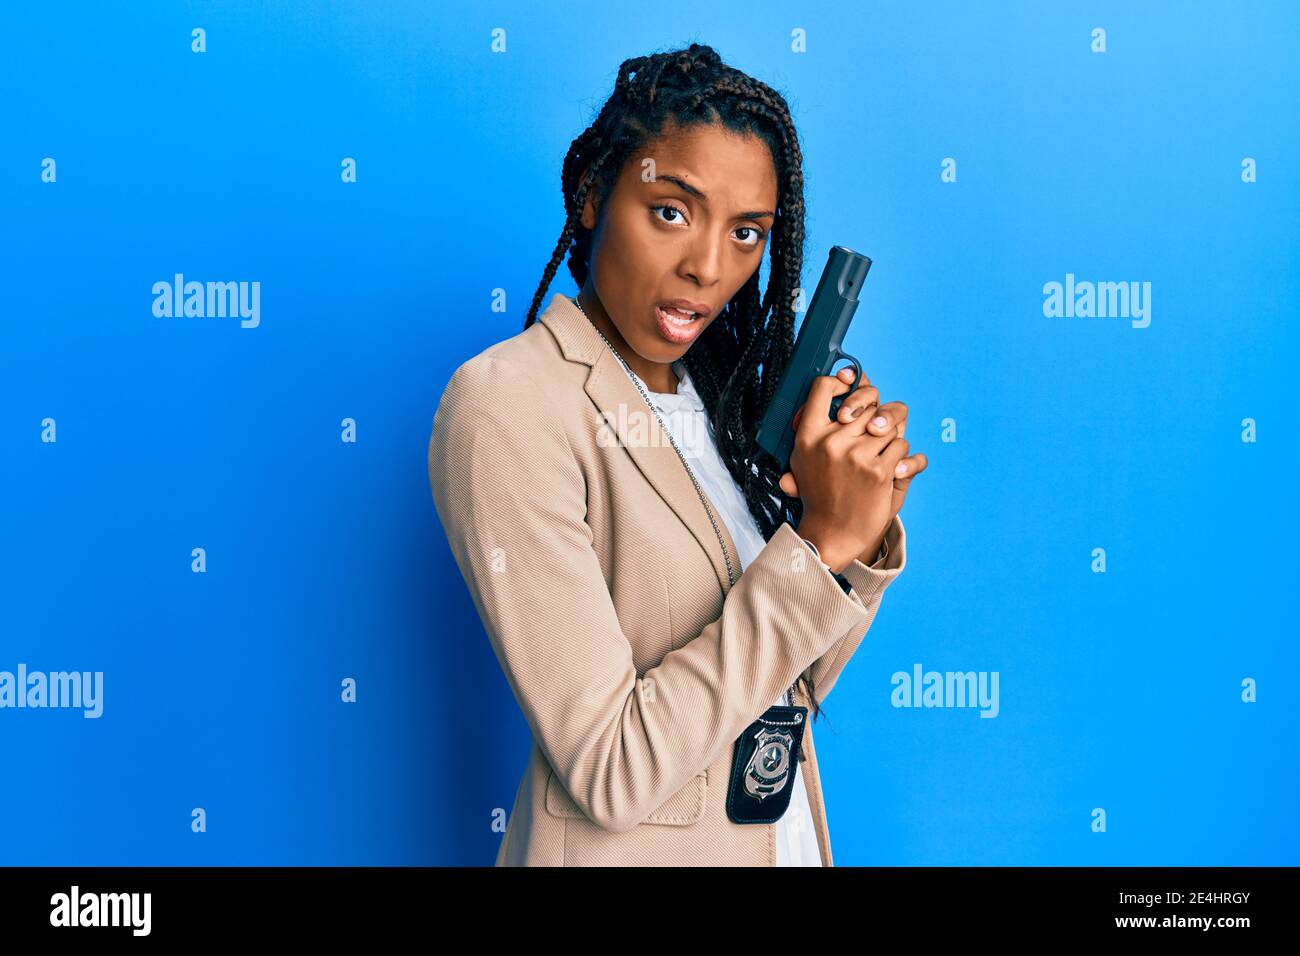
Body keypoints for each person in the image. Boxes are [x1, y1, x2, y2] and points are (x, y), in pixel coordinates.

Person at [428, 43, 926, 866]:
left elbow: (780, 689)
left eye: (746, 234)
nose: (707, 266)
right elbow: (610, 767)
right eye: (671, 211)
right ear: (592, 196)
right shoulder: (508, 404)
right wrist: (815, 548)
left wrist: (855, 530)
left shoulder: (725, 405)